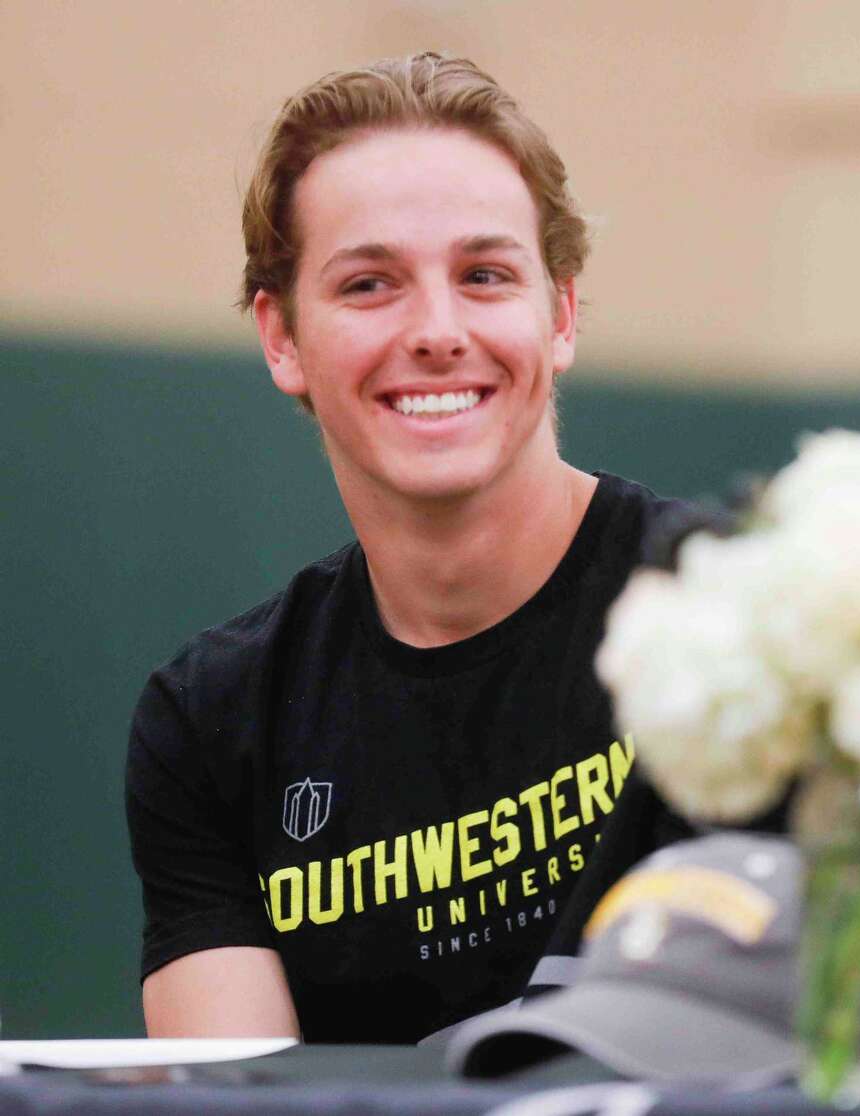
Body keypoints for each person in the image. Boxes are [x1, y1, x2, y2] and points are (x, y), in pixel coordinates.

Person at [125, 53, 692, 1044]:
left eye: (484, 275)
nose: (436, 330)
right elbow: (236, 1100)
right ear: (284, 337)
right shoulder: (210, 723)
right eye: (370, 283)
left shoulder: (740, 612)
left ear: (558, 313)